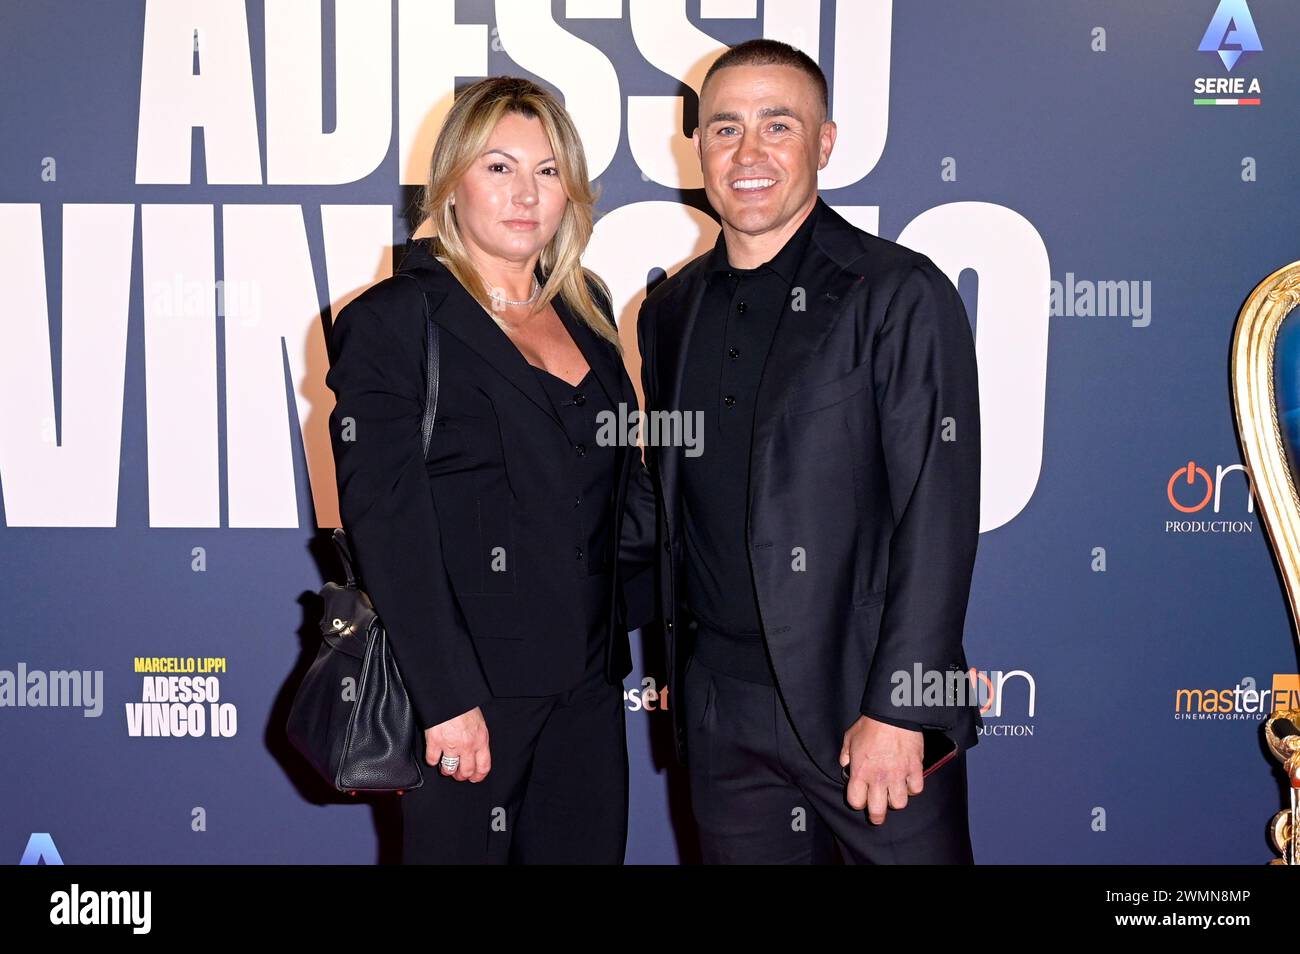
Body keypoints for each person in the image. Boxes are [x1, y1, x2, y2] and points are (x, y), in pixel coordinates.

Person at [636, 39, 983, 864]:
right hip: (720, 714)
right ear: (697, 148)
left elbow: (938, 511)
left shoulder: (898, 291)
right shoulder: (669, 309)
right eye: (724, 129)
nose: (748, 153)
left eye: (776, 125)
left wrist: (899, 709)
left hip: (861, 710)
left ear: (824, 144)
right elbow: (665, 502)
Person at [326, 76, 656, 864]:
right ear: (452, 182)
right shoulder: (395, 319)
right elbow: (386, 522)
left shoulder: (588, 305)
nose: (526, 194)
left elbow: (616, 493)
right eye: (499, 168)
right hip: (470, 696)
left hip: (587, 686)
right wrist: (446, 700)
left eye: (547, 171)